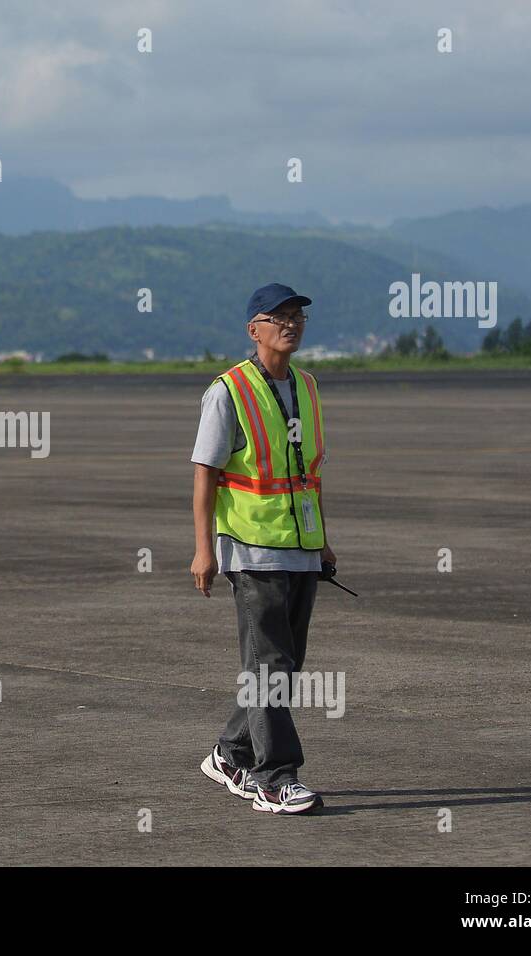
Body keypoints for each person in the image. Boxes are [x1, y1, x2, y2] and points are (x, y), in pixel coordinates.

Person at [189, 283, 335, 814]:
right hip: (252, 552)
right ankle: (273, 778)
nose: (291, 324)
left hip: (301, 549)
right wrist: (204, 550)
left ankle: (229, 753)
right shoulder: (228, 391)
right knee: (269, 666)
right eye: (279, 317)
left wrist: (324, 543)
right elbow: (205, 472)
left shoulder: (308, 387)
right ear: (254, 330)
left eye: (297, 316)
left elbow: (307, 474)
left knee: (282, 665)